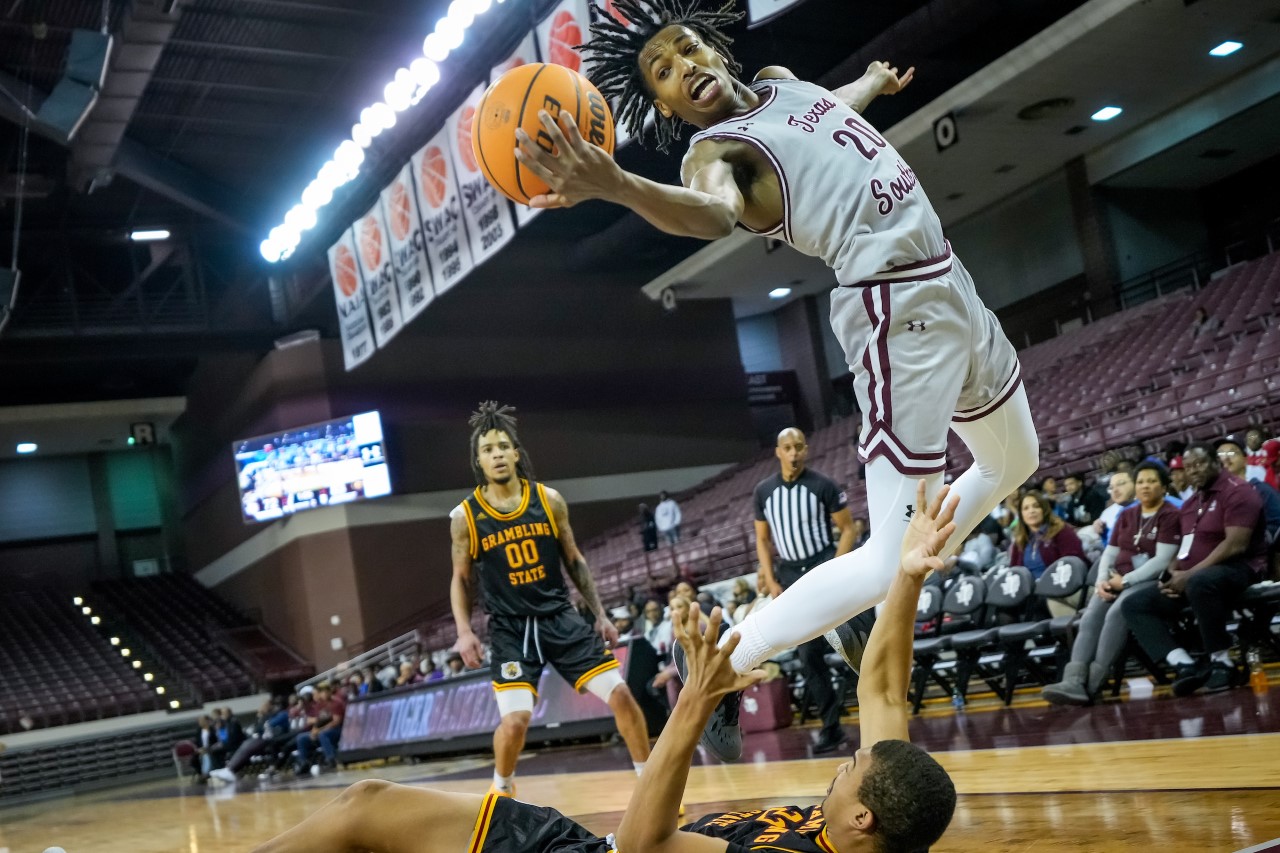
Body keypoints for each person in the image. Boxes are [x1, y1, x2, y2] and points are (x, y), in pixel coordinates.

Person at [516, 0, 1038, 759]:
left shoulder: (779, 82)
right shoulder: (716, 155)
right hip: (896, 308)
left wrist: (869, 82)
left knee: (1015, 458)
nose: (682, 67)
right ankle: (732, 656)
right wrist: (621, 186)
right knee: (891, 559)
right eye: (662, 71)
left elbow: (824, 113)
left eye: (686, 48)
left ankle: (867, 585)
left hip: (947, 278)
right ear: (660, 103)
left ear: (714, 49)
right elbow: (708, 214)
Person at [247, 480, 959, 853]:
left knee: (366, 808)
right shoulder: (886, 828)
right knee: (370, 818)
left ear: (861, 816)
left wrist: (694, 699)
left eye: (847, 771)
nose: (836, 768)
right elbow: (882, 682)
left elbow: (647, 845)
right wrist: (908, 573)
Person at [450, 402, 650, 797]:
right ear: (479, 460)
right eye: (489, 449)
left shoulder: (549, 500)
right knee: (515, 722)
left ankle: (649, 784)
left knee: (622, 695)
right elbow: (460, 579)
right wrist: (463, 631)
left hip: (560, 618)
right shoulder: (465, 517)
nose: (497, 454)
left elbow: (574, 560)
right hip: (510, 628)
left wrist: (601, 616)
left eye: (503, 446)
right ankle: (501, 788)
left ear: (516, 453)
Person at [1120, 445, 1268, 695]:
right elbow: (1183, 549)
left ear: (1216, 463)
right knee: (1134, 604)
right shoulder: (1190, 502)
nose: (1193, 471)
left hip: (1241, 569)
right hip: (1196, 578)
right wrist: (1169, 576)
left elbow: (1235, 545)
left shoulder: (1238, 491)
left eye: (1199, 464)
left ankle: (1222, 661)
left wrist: (1188, 576)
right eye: (1188, 467)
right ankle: (1186, 666)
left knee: (1201, 582)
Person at [754, 427, 865, 754]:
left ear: (806, 449)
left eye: (799, 447)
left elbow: (848, 528)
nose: (793, 453)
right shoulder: (763, 491)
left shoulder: (823, 484)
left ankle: (878, 714)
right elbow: (762, 539)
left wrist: (834, 568)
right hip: (790, 577)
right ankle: (832, 729)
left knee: (855, 644)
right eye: (787, 447)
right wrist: (771, 578)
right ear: (778, 451)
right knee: (808, 656)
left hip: (822, 566)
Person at [1042, 461, 1181, 705]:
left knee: (1117, 613)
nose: (1145, 486)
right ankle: (1073, 681)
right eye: (1141, 482)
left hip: (1148, 582)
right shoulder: (1127, 515)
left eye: (1151, 481)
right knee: (1091, 616)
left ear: (1163, 486)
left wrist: (1124, 582)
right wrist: (1101, 581)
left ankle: (1094, 684)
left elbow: (1162, 560)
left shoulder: (1170, 514)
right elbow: (1109, 553)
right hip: (1116, 579)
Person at [1008, 491, 1086, 580]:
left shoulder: (1062, 531)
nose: (1031, 511)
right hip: (1031, 591)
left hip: (1063, 586)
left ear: (1044, 509)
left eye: (1036, 506)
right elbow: (1014, 572)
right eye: (1026, 508)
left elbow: (1074, 562)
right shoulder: (1019, 541)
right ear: (1021, 515)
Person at [1217, 435, 1280, 544]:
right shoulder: (1214, 498)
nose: (1225, 458)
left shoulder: (1260, 489)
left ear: (1245, 459)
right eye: (1220, 454)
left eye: (1232, 453)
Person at [295, 682, 345, 775]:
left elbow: (336, 722)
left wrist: (320, 730)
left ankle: (331, 760)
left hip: (338, 730)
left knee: (323, 734)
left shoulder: (336, 703)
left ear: (330, 692)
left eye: (325, 692)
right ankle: (304, 762)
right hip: (324, 730)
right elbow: (319, 721)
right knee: (301, 738)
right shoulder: (319, 705)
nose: (324, 694)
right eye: (322, 692)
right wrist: (314, 730)